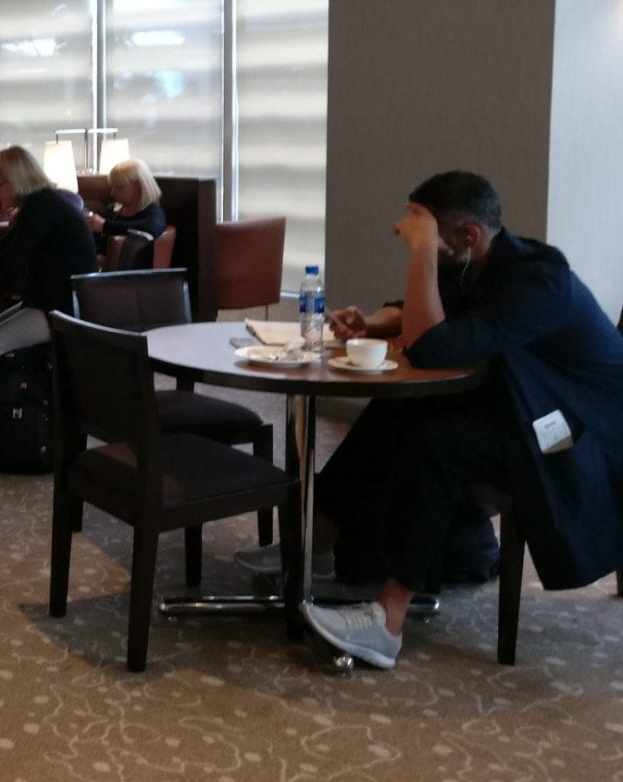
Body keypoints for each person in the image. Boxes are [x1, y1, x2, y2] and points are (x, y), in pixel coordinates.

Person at [257, 171, 623, 670]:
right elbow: (432, 312)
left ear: (467, 235)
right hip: (524, 402)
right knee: (396, 407)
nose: (407, 234)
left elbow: (430, 346)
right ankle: (315, 545)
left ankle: (386, 622)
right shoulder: (480, 262)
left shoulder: (540, 281)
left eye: (424, 230)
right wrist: (373, 321)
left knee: (439, 443)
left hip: (575, 430)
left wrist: (423, 252)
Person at [0, 145, 99, 377]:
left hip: (60, 310)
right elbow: (5, 246)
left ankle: (36, 391)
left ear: (15, 179)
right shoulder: (40, 202)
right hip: (51, 301)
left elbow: (11, 260)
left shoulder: (41, 206)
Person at [87, 157, 166, 245]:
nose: (112, 192)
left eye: (119, 187)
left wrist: (105, 226)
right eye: (113, 187)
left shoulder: (153, 212)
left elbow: (151, 227)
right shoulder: (112, 210)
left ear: (139, 187)